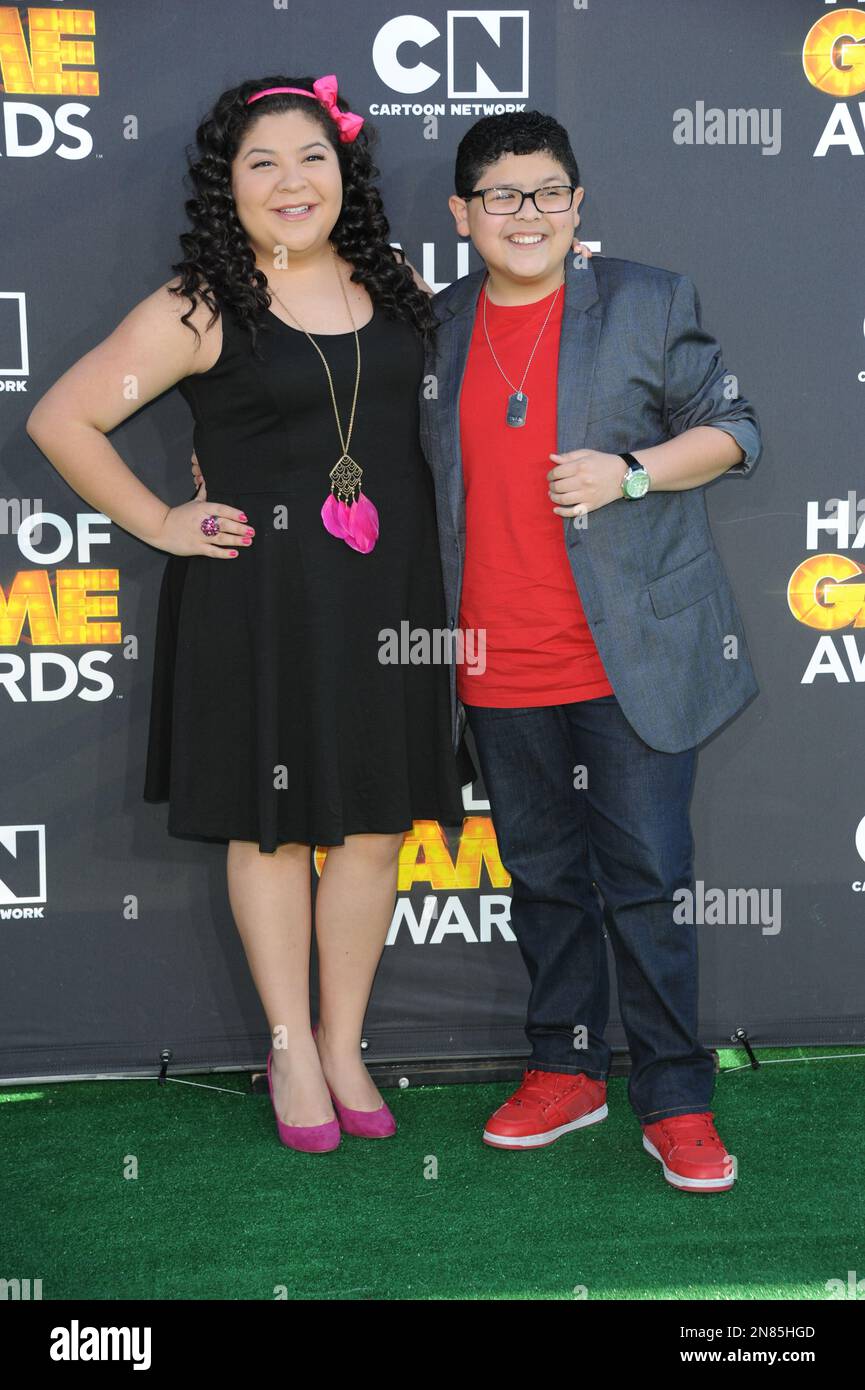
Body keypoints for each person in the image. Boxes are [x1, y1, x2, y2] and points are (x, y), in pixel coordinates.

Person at [25, 73, 473, 1154]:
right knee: (273, 830)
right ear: (226, 186)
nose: (290, 180)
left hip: (389, 597)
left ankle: (345, 1040)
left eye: (311, 157)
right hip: (260, 602)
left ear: (345, 171)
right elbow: (63, 418)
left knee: (374, 825)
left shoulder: (398, 284)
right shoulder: (199, 303)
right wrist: (162, 520)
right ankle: (287, 1045)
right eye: (261, 162)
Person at [418, 111, 763, 1192]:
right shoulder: (432, 326)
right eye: (503, 196)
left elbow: (738, 432)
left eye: (550, 191)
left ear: (577, 202)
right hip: (493, 662)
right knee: (544, 880)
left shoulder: (648, 301)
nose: (529, 214)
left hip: (629, 662)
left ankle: (675, 1093)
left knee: (649, 882)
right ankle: (564, 1068)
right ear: (461, 214)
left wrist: (629, 473)